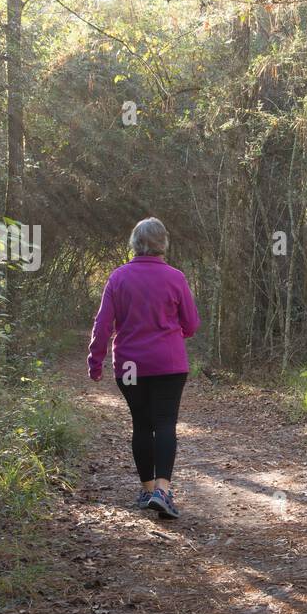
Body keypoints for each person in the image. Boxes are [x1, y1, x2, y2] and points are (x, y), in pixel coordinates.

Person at [87, 217, 199, 519]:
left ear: (135, 244)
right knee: (164, 424)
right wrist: (173, 334)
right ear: (163, 243)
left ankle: (148, 490)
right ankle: (163, 491)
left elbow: (102, 325)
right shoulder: (175, 277)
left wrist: (95, 362)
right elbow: (192, 324)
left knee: (141, 424)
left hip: (131, 365)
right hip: (169, 364)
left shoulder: (119, 277)